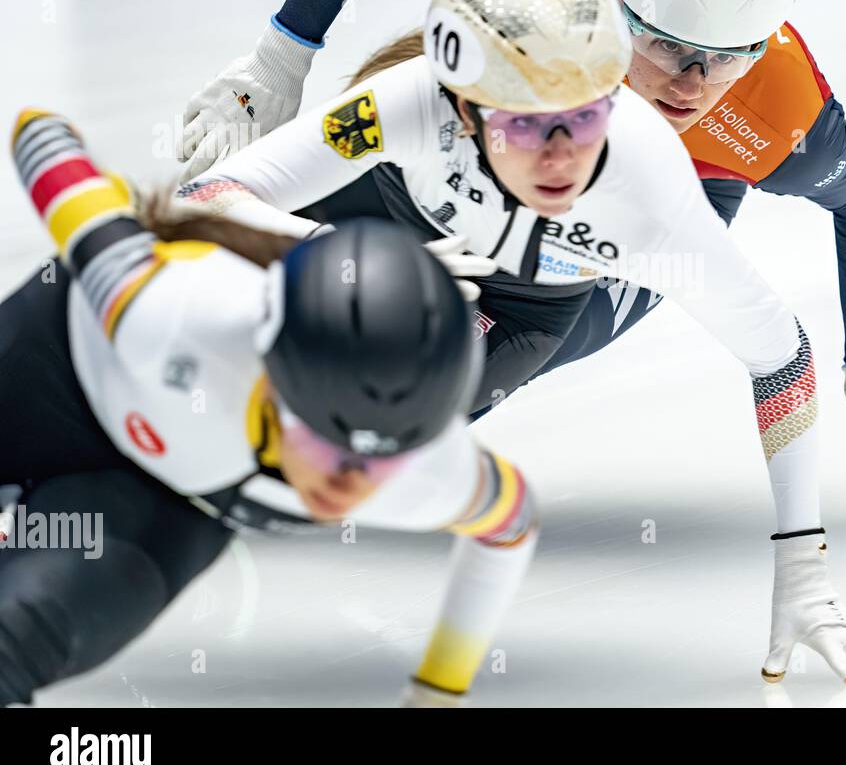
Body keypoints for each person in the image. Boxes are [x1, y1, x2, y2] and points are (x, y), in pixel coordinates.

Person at [176, 0, 846, 686]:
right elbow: (202, 200)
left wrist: (804, 569)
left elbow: (780, 357)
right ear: (462, 108)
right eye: (528, 126)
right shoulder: (413, 99)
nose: (564, 159)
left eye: (591, 116)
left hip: (522, 303)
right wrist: (342, 259)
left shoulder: (649, 192)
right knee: (201, 291)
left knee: (333, 441)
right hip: (399, 207)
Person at [177, 0, 846, 522]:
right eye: (668, 47)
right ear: (615, 5)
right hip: (492, 137)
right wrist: (279, 64)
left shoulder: (784, 118)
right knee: (238, 244)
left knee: (426, 372)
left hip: (625, 233)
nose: (695, 85)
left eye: (730, 55)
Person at [0, 110, 533, 706]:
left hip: (165, 496)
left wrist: (436, 690)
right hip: (53, 375)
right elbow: (42, 144)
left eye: (380, 464)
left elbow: (509, 528)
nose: (347, 483)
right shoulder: (174, 311)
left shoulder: (427, 467)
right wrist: (59, 143)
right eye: (328, 441)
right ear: (271, 381)